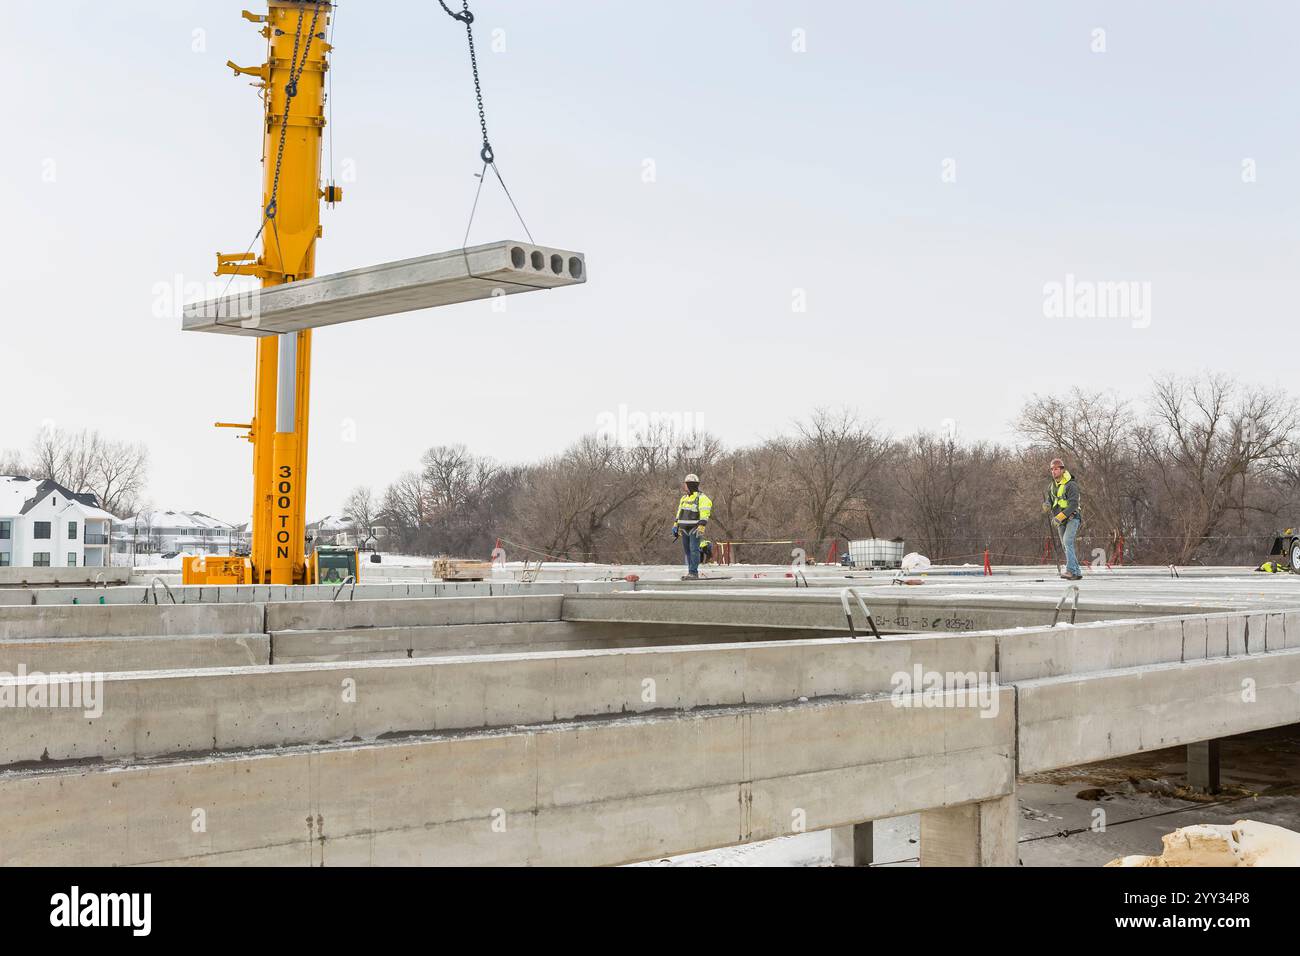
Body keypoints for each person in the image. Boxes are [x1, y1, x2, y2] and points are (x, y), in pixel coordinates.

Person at [1046, 458, 1083, 580]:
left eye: (1056, 469)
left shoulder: (1071, 485)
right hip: (1060, 520)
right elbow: (1050, 500)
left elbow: (1073, 504)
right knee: (1065, 545)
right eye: (1052, 469)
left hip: (1072, 517)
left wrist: (1059, 517)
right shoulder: (1052, 486)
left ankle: (1070, 570)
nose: (1053, 471)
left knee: (1067, 542)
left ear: (1062, 470)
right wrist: (1046, 505)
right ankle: (1076, 572)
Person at [671, 473, 713, 580]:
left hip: (695, 528)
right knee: (688, 551)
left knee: (694, 550)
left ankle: (693, 572)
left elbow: (705, 512)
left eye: (686, 484)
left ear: (690, 485)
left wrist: (702, 525)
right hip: (684, 528)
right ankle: (690, 571)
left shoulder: (702, 498)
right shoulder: (684, 499)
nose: (684, 486)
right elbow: (679, 513)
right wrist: (676, 525)